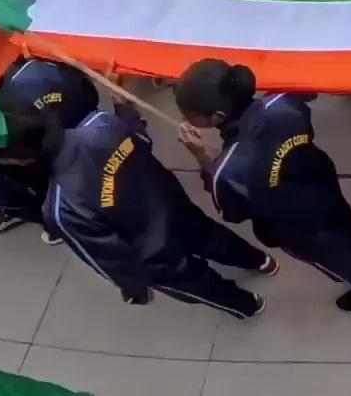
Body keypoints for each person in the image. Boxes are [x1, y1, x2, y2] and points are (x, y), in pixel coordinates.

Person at [173, 60, 351, 313]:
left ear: (217, 117)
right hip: (321, 183)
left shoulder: (229, 169)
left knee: (334, 259)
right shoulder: (282, 103)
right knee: (344, 223)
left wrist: (202, 157)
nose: (184, 119)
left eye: (189, 115)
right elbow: (306, 90)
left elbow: (231, 212)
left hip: (295, 226)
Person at [45, 103, 276, 318]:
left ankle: (246, 304)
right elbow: (141, 139)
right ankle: (259, 260)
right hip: (174, 206)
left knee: (197, 282)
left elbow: (108, 256)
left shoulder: (62, 207)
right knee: (212, 236)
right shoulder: (100, 123)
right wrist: (125, 108)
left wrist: (135, 288)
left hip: (156, 254)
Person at [0, 57, 99, 235]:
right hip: (89, 139)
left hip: (53, 165)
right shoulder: (40, 69)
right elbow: (90, 96)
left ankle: (59, 227)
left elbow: (17, 161)